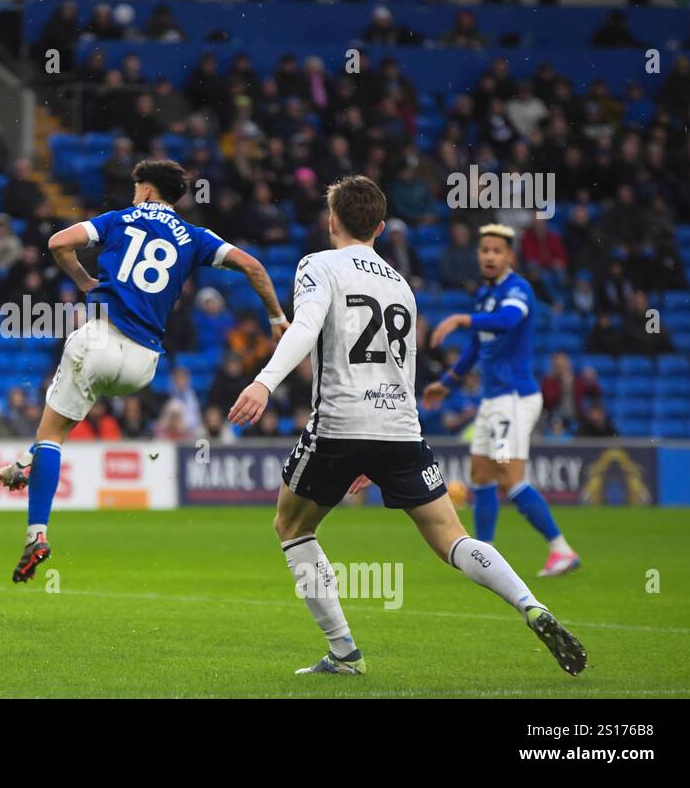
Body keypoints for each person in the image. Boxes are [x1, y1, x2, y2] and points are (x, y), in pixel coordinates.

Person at [228, 177, 585, 678]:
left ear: (331, 221)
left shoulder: (318, 264)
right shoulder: (401, 285)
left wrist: (264, 383)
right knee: (452, 538)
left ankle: (345, 654)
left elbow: (305, 327)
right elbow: (402, 370)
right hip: (399, 427)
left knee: (292, 525)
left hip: (340, 422)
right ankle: (530, 604)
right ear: (378, 227)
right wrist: (376, 455)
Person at [0, 159, 289, 583]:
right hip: (144, 364)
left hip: (99, 339)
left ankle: (36, 533)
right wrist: (277, 317)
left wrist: (83, 282)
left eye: (137, 188)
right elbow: (254, 267)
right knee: (68, 413)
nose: (134, 194)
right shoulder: (195, 236)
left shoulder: (120, 219)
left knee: (52, 436)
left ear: (148, 191)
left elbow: (59, 242)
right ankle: (25, 461)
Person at [425, 224, 581, 578]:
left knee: (510, 478)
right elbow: (478, 346)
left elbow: (508, 321)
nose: (490, 256)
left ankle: (561, 550)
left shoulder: (518, 290)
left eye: (497, 251)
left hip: (514, 397)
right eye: (485, 250)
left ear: (510, 256)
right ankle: (485, 556)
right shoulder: (484, 295)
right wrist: (446, 384)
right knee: (480, 474)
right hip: (493, 400)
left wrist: (461, 318)